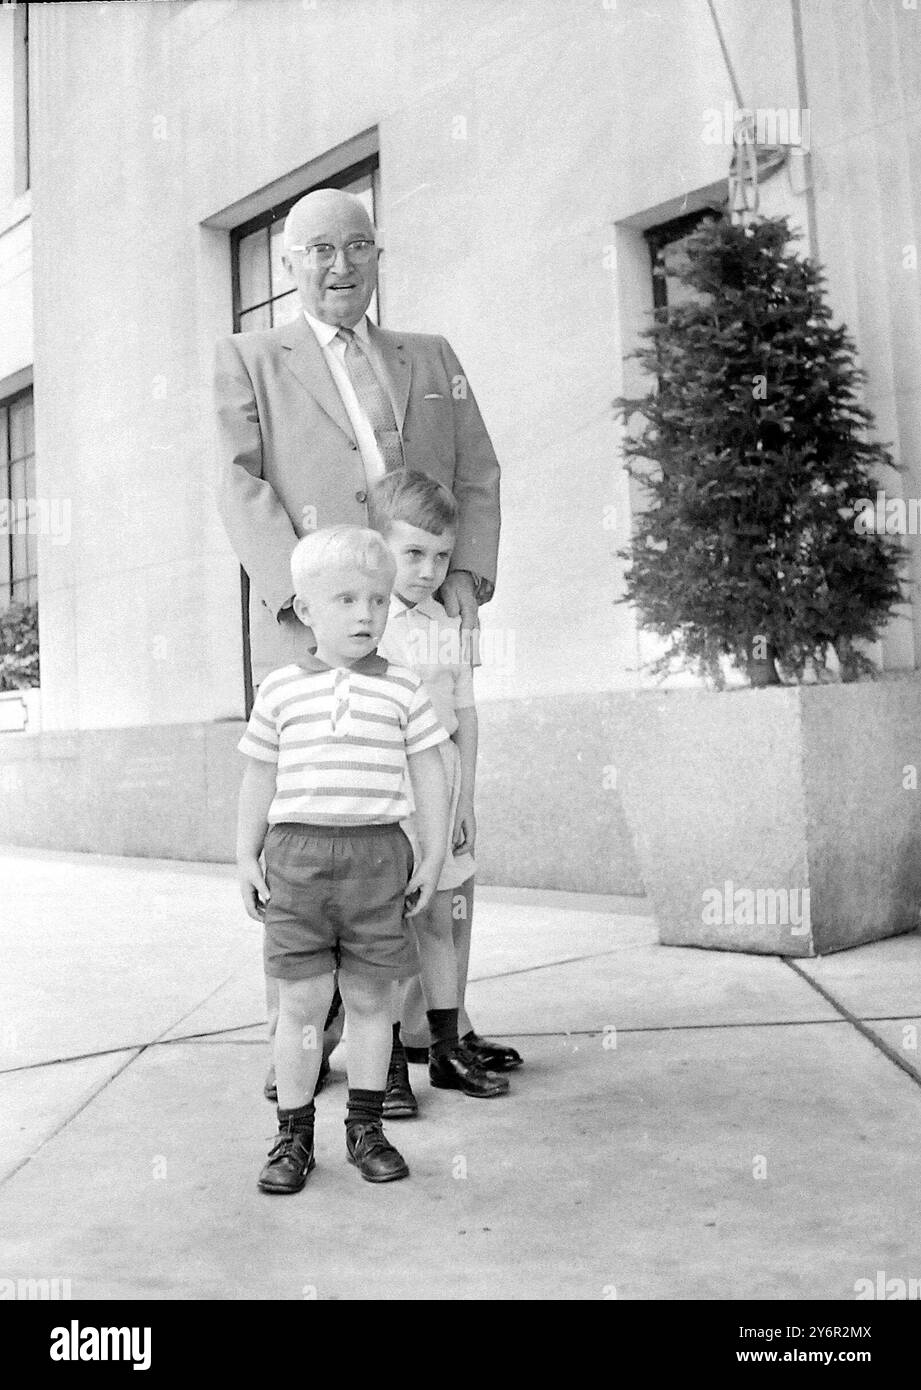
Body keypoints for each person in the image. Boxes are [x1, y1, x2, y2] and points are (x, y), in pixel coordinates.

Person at [214, 186, 512, 1098]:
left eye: (357, 247)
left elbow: (476, 470)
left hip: (424, 627)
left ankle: (432, 1032)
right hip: (319, 629)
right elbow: (238, 484)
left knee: (437, 830)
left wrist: (463, 580)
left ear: (378, 256)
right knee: (325, 835)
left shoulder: (430, 356)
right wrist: (302, 600)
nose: (340, 266)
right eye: (319, 251)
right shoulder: (250, 358)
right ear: (289, 264)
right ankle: (305, 1037)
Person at [236, 526, 449, 1194]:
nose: (366, 614)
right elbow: (258, 777)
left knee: (368, 1000)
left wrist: (433, 856)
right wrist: (243, 855)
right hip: (295, 858)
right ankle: (292, 1138)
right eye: (347, 600)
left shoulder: (403, 690)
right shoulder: (278, 692)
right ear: (306, 609)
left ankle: (366, 1129)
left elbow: (431, 775)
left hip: (377, 857)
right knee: (300, 1004)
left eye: (378, 601)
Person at [369, 471, 511, 1111]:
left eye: (442, 556)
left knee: (441, 916)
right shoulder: (367, 624)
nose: (429, 571)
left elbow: (468, 714)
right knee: (387, 922)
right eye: (413, 554)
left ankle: (446, 1049)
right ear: (380, 549)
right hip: (388, 783)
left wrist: (468, 800)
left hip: (442, 777)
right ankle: (389, 1058)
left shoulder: (448, 620)